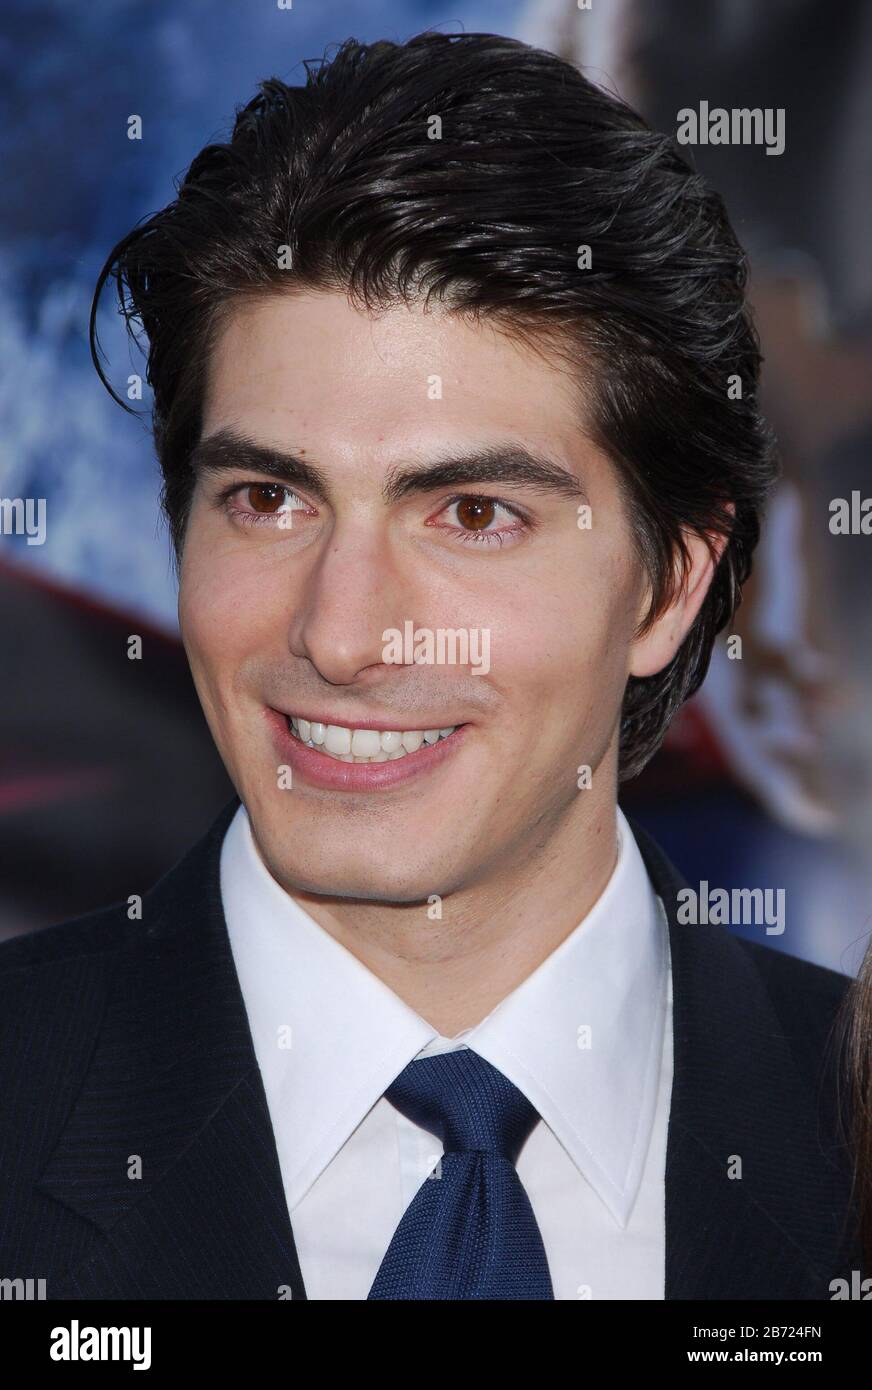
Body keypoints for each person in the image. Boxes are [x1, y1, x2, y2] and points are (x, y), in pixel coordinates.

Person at [0, 30, 862, 1300]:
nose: (339, 635)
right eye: (268, 499)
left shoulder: (843, 1142)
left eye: (469, 515)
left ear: (668, 585)